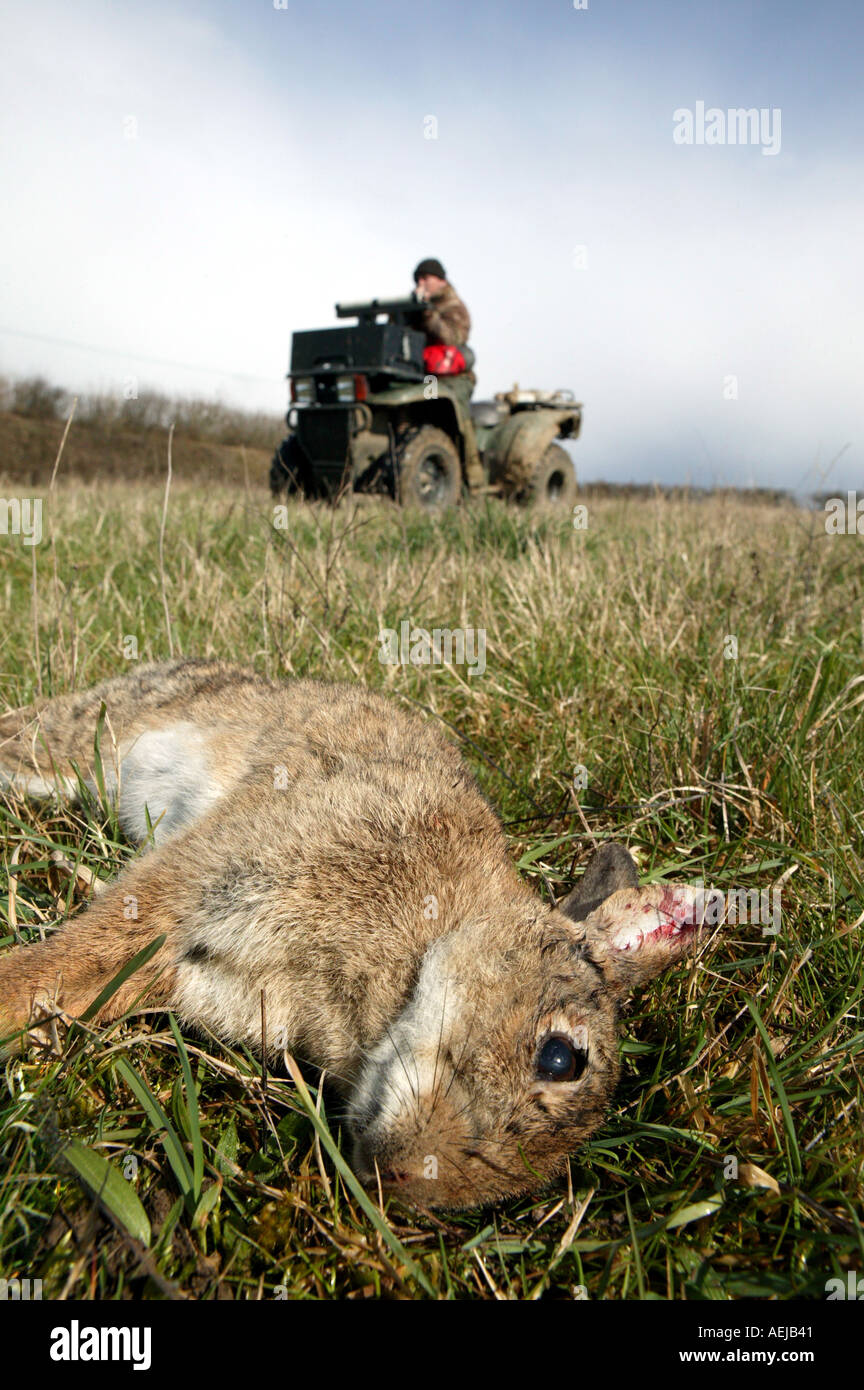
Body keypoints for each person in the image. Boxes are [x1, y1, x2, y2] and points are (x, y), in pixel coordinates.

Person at [412, 258, 484, 490]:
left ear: (440, 280)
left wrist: (427, 313)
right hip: (419, 375)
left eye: (425, 278)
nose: (421, 283)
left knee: (458, 420)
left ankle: (473, 480)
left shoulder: (454, 307)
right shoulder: (414, 305)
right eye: (418, 279)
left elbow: (452, 338)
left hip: (452, 378)